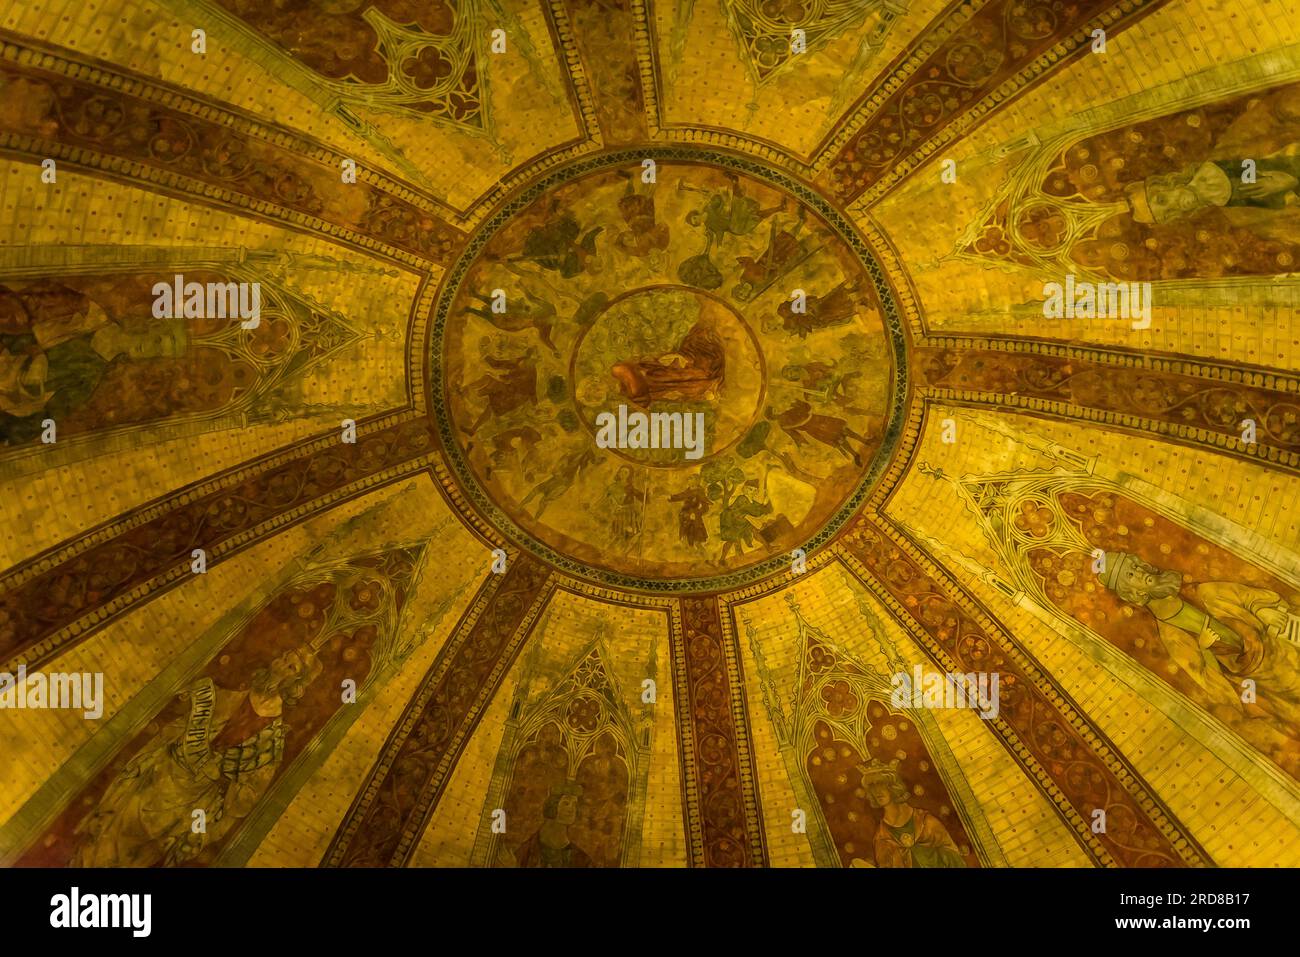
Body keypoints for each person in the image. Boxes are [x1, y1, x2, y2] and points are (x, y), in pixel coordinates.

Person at [70, 645, 323, 867]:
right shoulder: (230, 697)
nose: (282, 666)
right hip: (162, 773)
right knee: (112, 828)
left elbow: (248, 795)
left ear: (295, 682)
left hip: (190, 802)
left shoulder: (272, 739)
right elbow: (184, 720)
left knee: (138, 853)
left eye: (291, 667)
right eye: (284, 658)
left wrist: (221, 779)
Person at [853, 761, 965, 868]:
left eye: (881, 784)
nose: (877, 791)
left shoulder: (926, 822)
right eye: (872, 787)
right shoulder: (881, 839)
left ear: (893, 786)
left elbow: (954, 857)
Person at [515, 782, 591, 868]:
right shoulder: (529, 849)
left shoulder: (581, 859)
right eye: (566, 803)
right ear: (553, 805)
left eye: (574, 805)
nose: (571, 809)